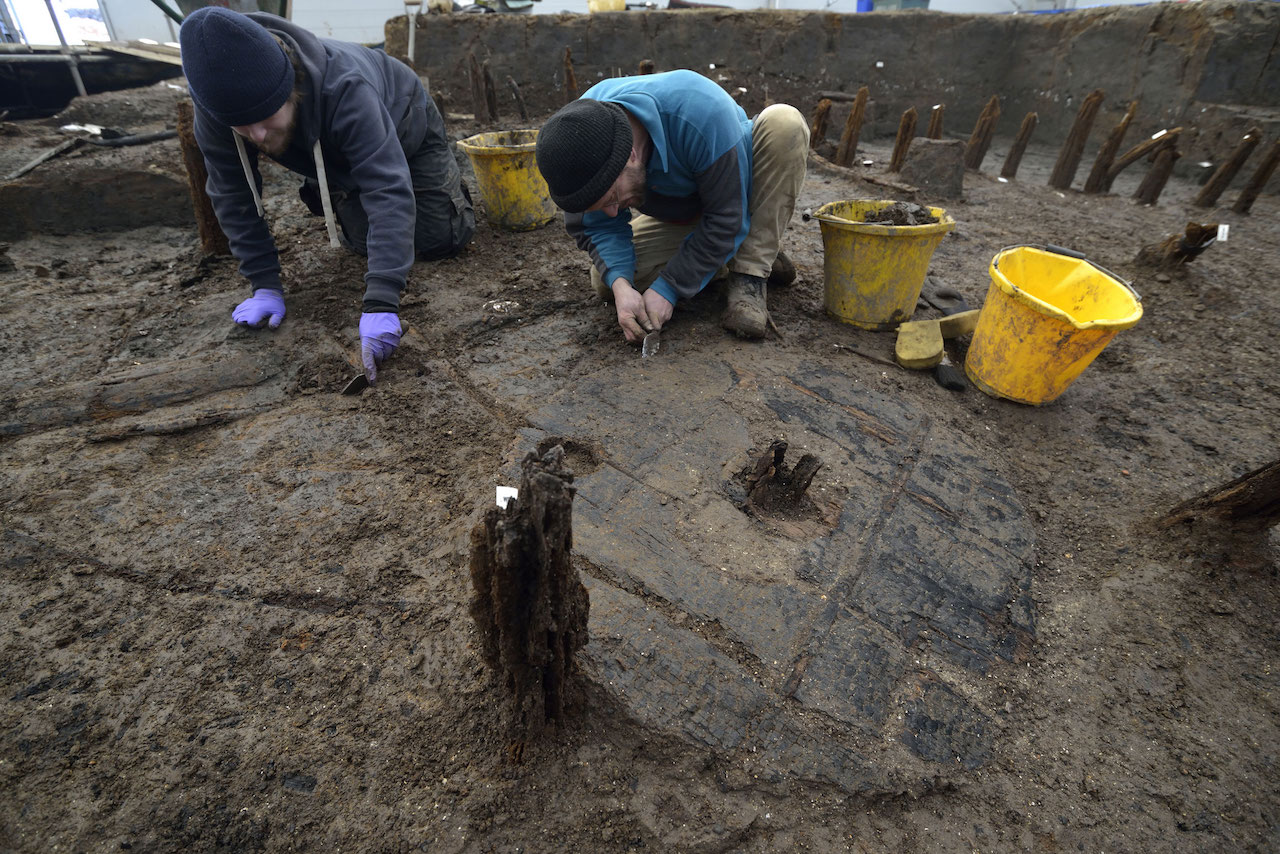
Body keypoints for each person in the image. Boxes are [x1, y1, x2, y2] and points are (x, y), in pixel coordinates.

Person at [179, 7, 474, 382]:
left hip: (403, 121)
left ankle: (439, 195)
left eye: (265, 117)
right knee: (370, 240)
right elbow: (232, 194)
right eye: (242, 125)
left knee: (439, 238)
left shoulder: (344, 88)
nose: (255, 136)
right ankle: (336, 185)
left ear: (290, 89)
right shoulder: (217, 109)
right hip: (332, 151)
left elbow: (386, 188)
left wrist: (381, 301)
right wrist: (263, 284)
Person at [534, 69, 808, 343]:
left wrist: (669, 288)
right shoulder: (578, 142)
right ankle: (746, 245)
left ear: (629, 155)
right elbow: (599, 227)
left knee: (784, 124)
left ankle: (751, 269)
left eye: (613, 200)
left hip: (738, 192)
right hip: (691, 212)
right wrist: (621, 286)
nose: (613, 213)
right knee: (607, 281)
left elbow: (726, 217)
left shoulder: (700, 111)